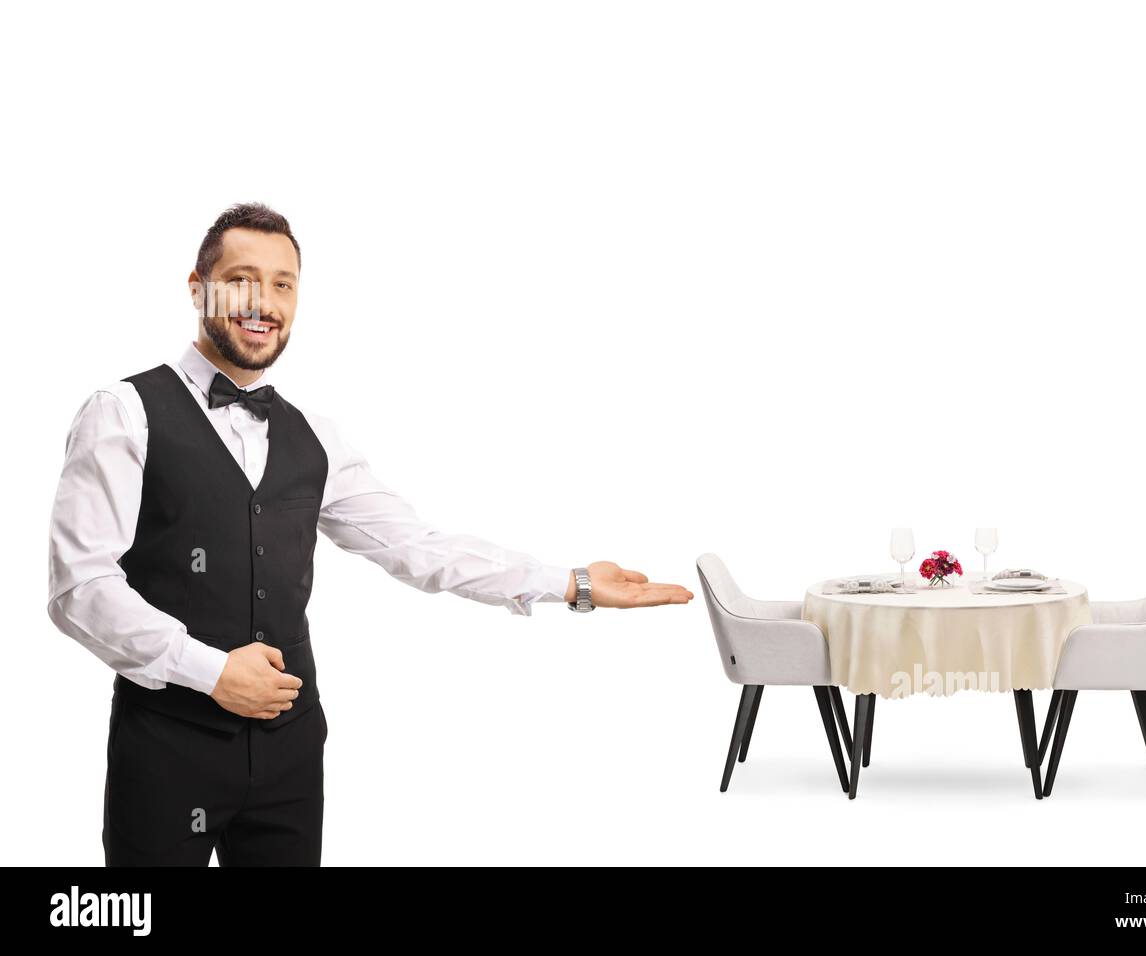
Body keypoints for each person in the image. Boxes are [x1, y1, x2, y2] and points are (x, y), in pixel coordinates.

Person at [46, 202, 694, 866]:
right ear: (197, 288)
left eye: (282, 284)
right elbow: (81, 589)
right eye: (242, 278)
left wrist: (576, 584)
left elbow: (419, 547)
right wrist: (211, 672)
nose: (262, 302)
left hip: (289, 753)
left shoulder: (315, 438)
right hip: (166, 749)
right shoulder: (123, 413)